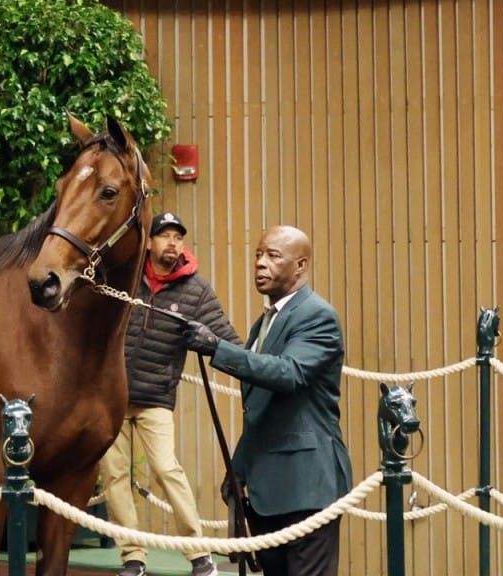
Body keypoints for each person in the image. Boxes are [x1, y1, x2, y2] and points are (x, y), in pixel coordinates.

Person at [180, 226, 353, 576]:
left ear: (300, 266)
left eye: (273, 256)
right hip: (267, 490)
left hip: (307, 487)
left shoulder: (318, 316)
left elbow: (288, 374)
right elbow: (261, 407)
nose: (260, 263)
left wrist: (216, 348)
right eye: (258, 254)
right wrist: (239, 468)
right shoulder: (265, 322)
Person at [99, 212, 241, 576]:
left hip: (156, 400)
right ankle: (133, 557)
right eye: (164, 236)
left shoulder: (196, 291)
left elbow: (228, 340)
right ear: (149, 242)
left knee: (166, 469)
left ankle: (199, 555)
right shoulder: (125, 278)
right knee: (114, 477)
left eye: (178, 236)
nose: (173, 243)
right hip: (111, 399)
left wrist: (251, 363)